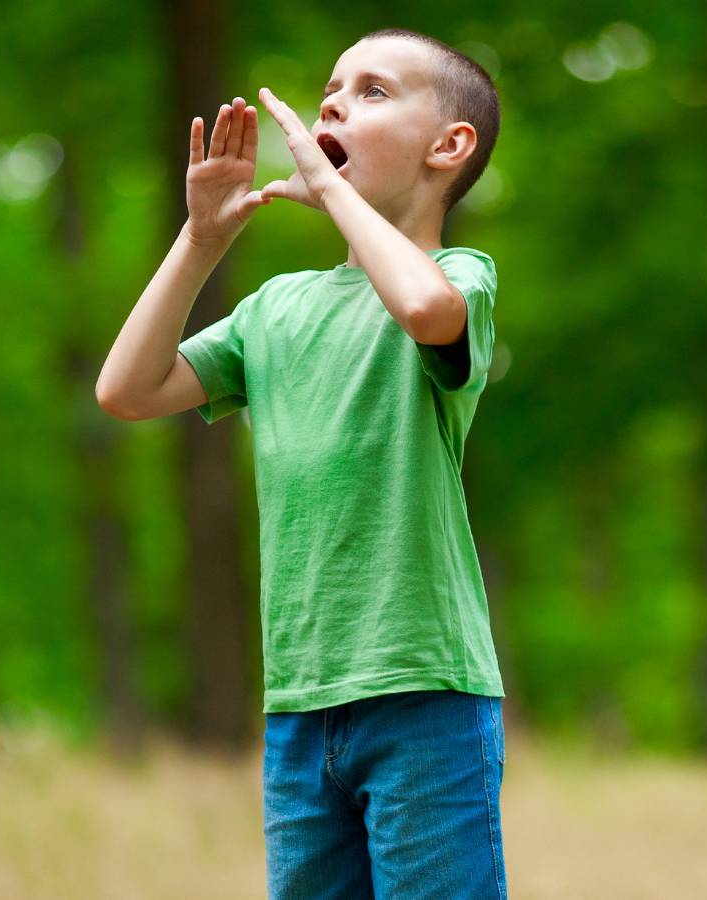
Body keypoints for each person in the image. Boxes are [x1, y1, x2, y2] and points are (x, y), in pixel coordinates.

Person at [96, 26, 507, 900]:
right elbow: (127, 389)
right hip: (301, 703)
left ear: (450, 145)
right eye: (331, 89)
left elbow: (427, 309)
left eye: (373, 91)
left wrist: (327, 182)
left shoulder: (460, 275)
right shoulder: (275, 311)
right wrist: (201, 239)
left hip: (425, 692)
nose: (332, 103)